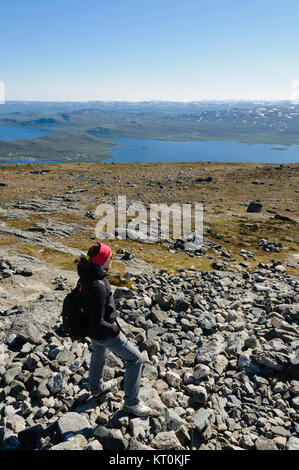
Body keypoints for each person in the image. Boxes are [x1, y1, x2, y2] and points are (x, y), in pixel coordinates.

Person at [76, 241, 151, 417]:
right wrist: (115, 331)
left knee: (99, 353)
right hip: (104, 331)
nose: (112, 259)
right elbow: (99, 322)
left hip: (94, 331)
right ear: (102, 260)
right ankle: (131, 403)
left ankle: (96, 388)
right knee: (135, 359)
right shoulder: (98, 285)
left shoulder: (88, 274)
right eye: (110, 257)